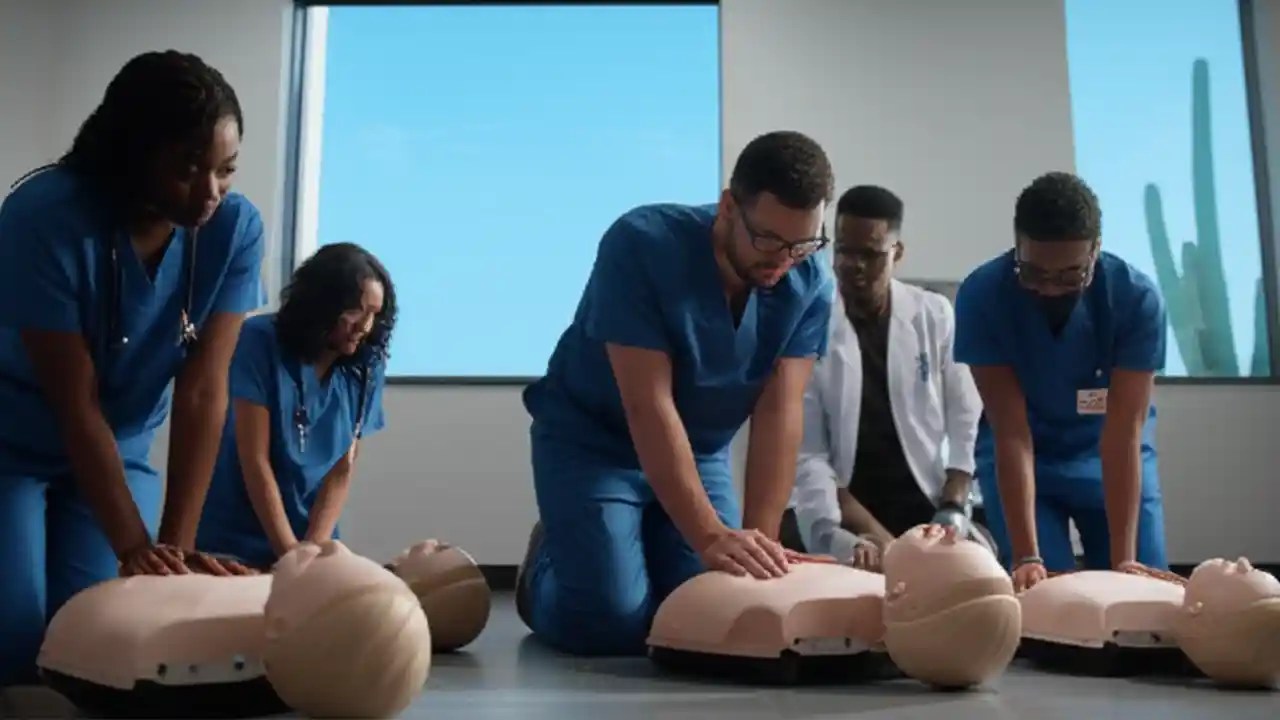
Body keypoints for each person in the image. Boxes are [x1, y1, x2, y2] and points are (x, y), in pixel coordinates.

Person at [0, 50, 267, 685]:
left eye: (225, 170)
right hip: (11, 443)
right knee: (15, 643)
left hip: (119, 446)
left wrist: (172, 553)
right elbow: (75, 403)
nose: (209, 193)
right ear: (132, 152)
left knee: (97, 638)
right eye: (187, 170)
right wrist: (131, 545)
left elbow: (204, 392)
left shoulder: (235, 228)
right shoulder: (42, 218)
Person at [515, 130, 836, 656]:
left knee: (706, 608)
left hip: (699, 450)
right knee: (611, 619)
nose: (784, 260)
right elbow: (648, 405)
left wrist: (763, 546)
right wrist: (709, 535)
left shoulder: (810, 280)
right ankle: (546, 564)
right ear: (729, 207)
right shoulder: (642, 244)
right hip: (594, 443)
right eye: (769, 240)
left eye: (803, 244)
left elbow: (780, 414)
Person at [953, 171, 1170, 592]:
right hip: (1024, 456)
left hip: (1109, 448)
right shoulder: (983, 295)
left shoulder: (1136, 298)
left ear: (1096, 252)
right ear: (1016, 248)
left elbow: (1123, 430)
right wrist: (1027, 554)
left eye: (1071, 276)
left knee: (1143, 598)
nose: (1051, 290)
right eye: (1034, 274)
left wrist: (1126, 559)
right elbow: (1010, 431)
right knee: (1044, 597)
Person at [784, 185, 984, 571]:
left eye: (870, 255)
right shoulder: (812, 324)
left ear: (897, 253)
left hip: (925, 503)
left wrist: (954, 506)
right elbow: (810, 454)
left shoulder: (934, 314)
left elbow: (965, 416)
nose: (853, 265)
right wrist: (882, 542)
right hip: (846, 508)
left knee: (977, 575)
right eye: (843, 250)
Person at [195, 243, 393, 570]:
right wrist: (289, 555)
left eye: (374, 314)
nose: (365, 327)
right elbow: (254, 460)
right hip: (233, 539)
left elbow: (342, 469)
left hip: (311, 539)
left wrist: (309, 555)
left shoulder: (367, 365)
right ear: (322, 304)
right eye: (356, 311)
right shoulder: (257, 341)